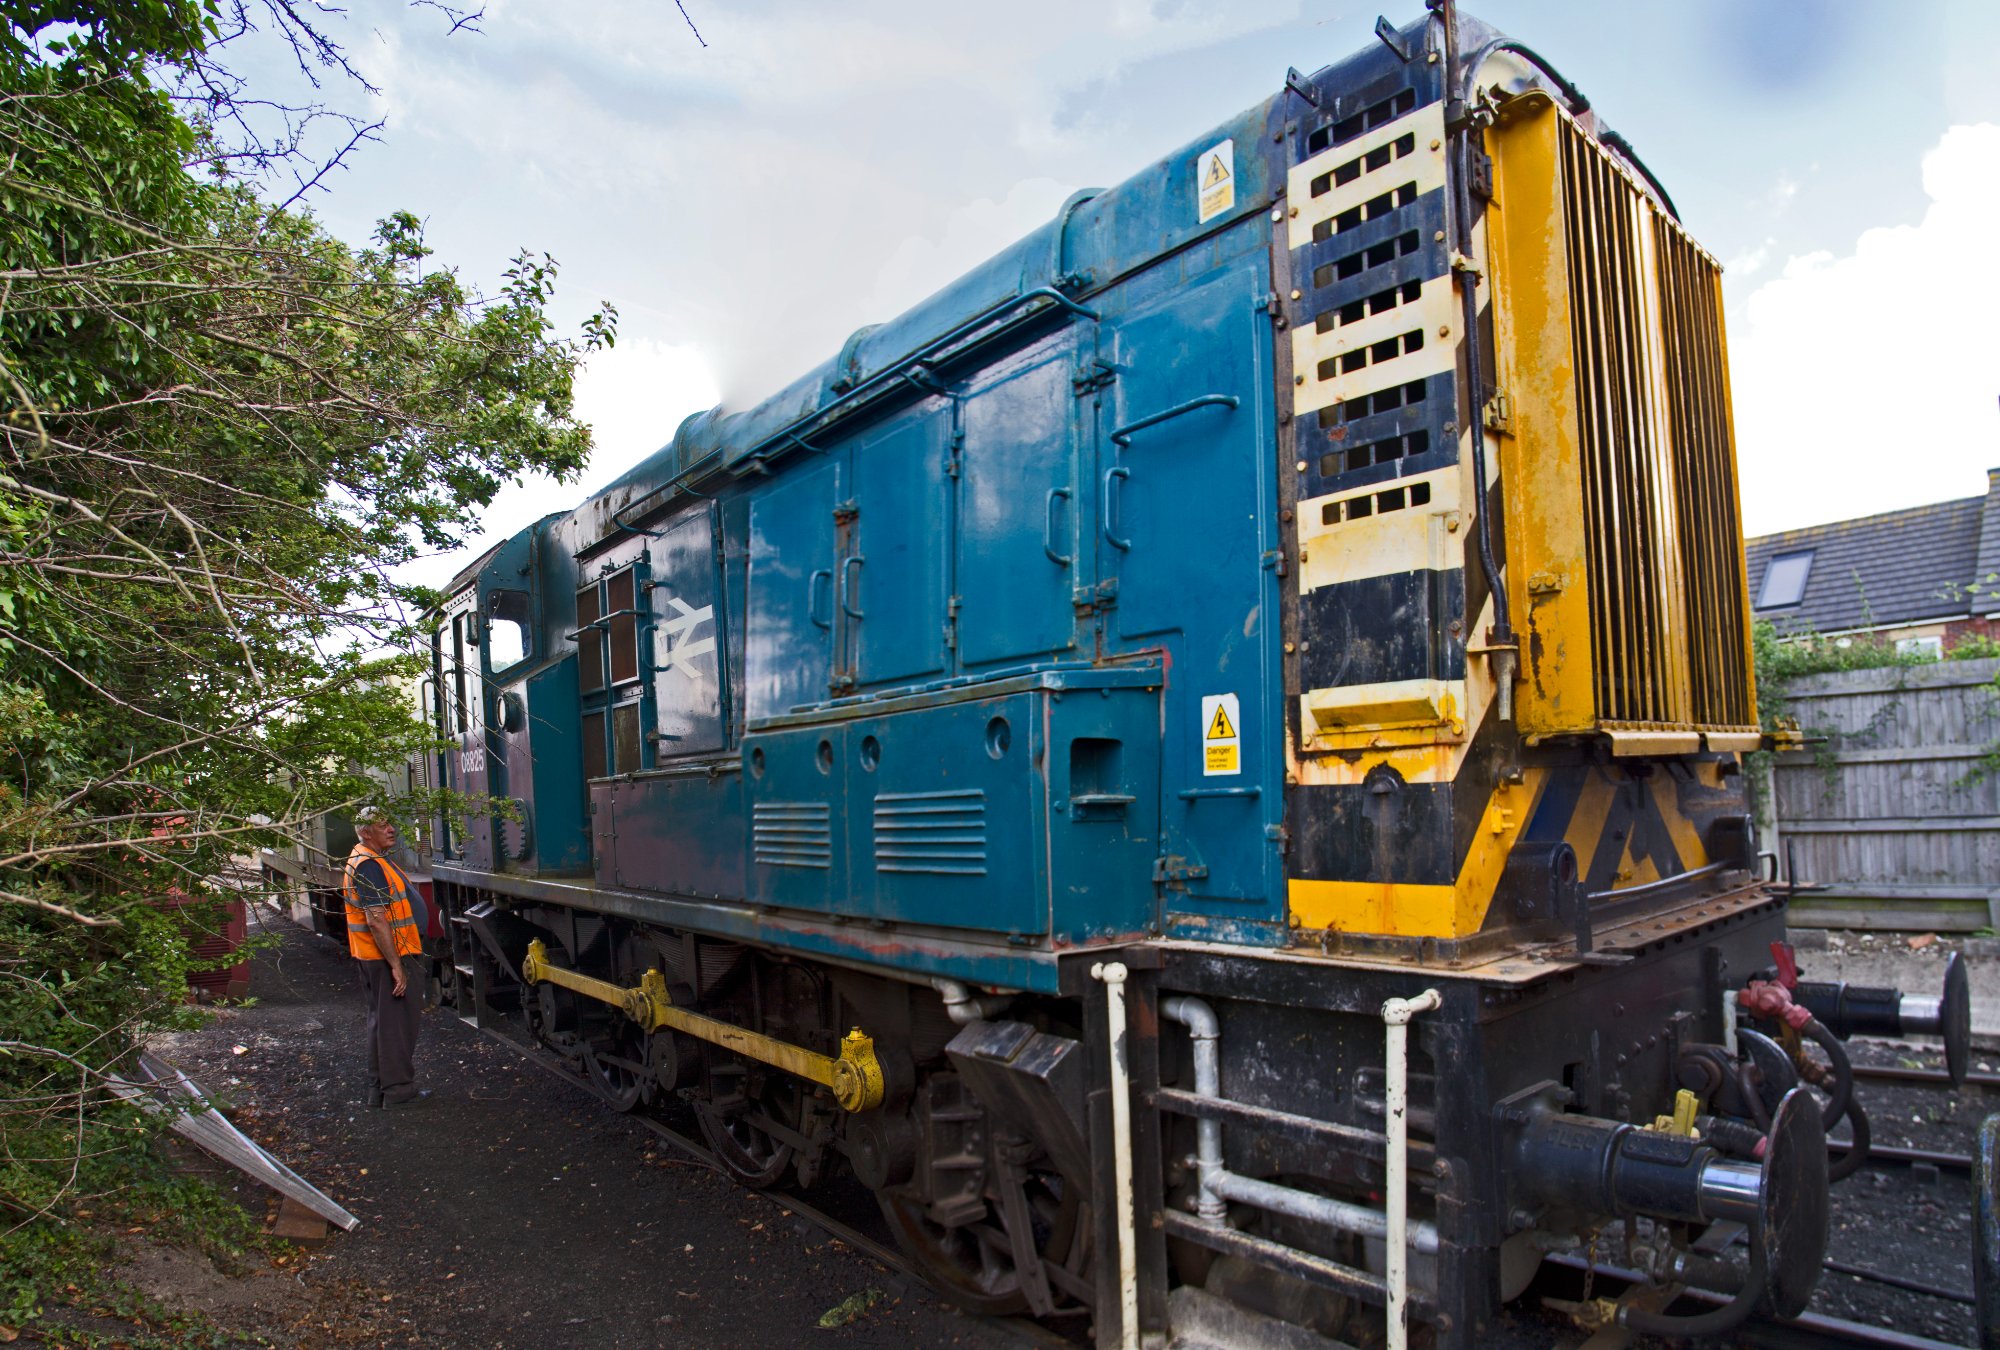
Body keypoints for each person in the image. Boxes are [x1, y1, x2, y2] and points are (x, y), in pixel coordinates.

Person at [342, 807, 429, 1108]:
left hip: (379, 955)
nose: (391, 829)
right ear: (367, 833)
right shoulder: (368, 865)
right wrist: (396, 965)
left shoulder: (371, 859)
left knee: (383, 1023)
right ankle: (398, 1090)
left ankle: (380, 1090)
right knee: (396, 1026)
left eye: (390, 823)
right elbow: (376, 919)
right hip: (387, 956)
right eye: (383, 825)